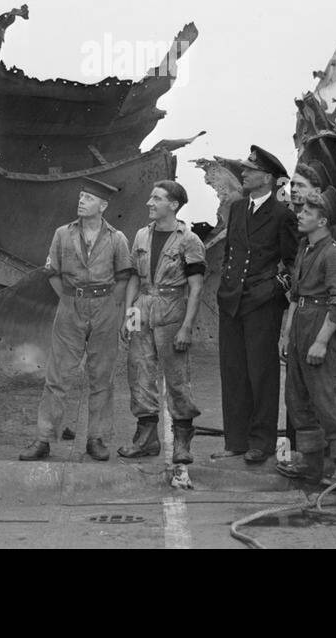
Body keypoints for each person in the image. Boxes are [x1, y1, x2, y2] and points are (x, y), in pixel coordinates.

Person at [19, 178, 133, 462]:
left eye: (89, 198)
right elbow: (53, 272)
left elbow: (123, 277)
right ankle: (44, 439)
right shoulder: (62, 234)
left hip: (106, 307)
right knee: (57, 376)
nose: (81, 201)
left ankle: (96, 439)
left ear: (103, 206)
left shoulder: (117, 238)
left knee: (102, 377)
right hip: (70, 306)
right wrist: (70, 300)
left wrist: (111, 307)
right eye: (81, 197)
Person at [214, 146, 299, 464]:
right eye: (245, 169)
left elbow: (293, 265)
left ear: (267, 178)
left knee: (261, 373)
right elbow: (230, 253)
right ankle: (235, 438)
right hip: (232, 301)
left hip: (262, 305)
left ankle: (261, 442)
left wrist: (274, 291)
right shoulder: (236, 209)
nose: (244, 173)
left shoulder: (282, 215)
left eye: (250, 170)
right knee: (233, 371)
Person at [118, 180, 207, 463]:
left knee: (177, 378)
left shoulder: (189, 240)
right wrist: (128, 315)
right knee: (140, 374)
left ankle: (182, 443)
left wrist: (186, 327)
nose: (150, 203)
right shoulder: (141, 236)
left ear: (174, 205)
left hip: (172, 311)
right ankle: (146, 439)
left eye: (157, 198)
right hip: (142, 308)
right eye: (150, 197)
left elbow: (196, 287)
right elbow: (134, 276)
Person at [275, 191, 336, 482]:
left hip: (321, 326)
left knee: (326, 399)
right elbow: (296, 296)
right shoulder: (305, 249)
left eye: (307, 213)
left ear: (322, 220)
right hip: (300, 326)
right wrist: (287, 335)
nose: (300, 215)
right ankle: (310, 462)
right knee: (297, 398)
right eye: (300, 211)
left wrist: (322, 341)